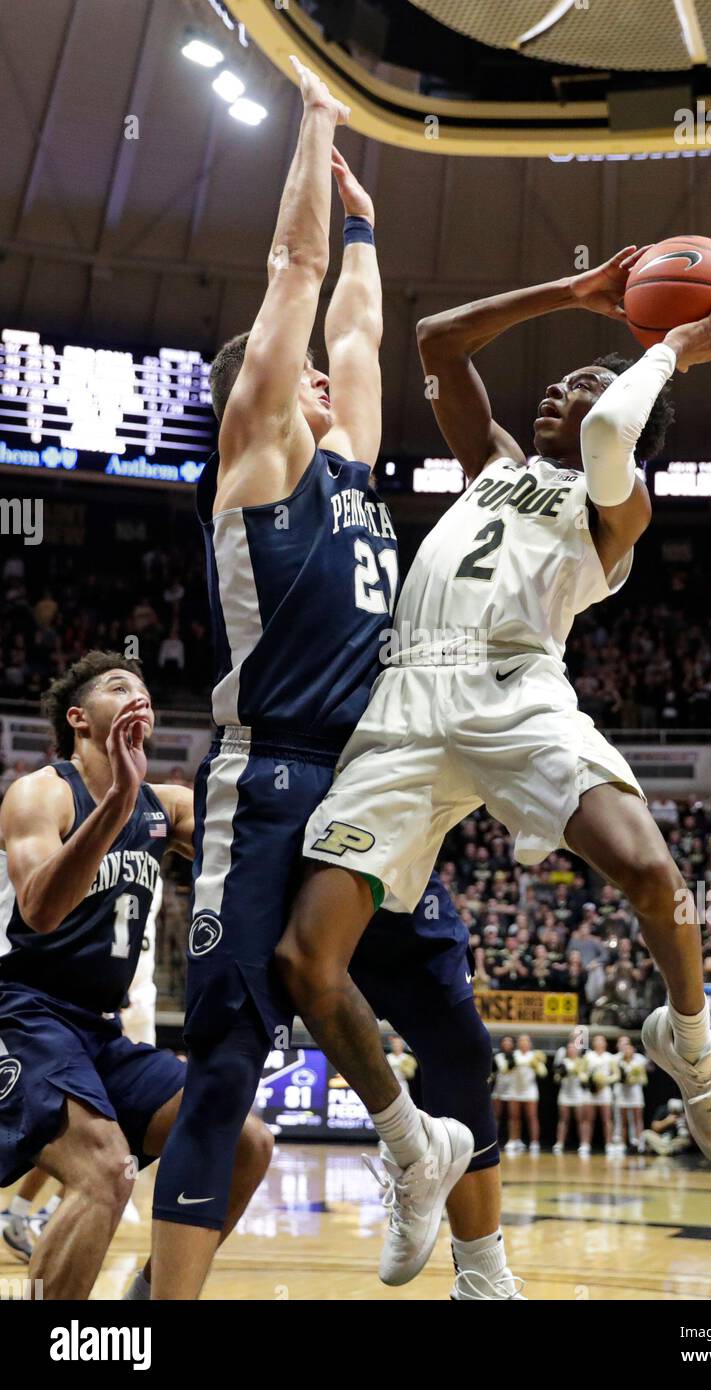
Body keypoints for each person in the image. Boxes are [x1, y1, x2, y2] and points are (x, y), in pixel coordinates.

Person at [150, 60, 522, 1302]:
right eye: (297, 371)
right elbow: (294, 287)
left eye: (320, 377)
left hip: (376, 784)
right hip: (273, 775)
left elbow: (355, 315)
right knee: (225, 1063)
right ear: (256, 393)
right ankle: (159, 1319)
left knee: (461, 1035)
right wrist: (315, 122)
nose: (322, 374)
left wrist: (362, 212)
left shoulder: (352, 462)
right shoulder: (257, 457)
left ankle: (479, 1262)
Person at [287, 252, 711, 1178]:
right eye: (566, 376)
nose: (560, 386)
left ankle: (693, 1047)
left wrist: (666, 349)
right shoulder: (493, 464)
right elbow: (436, 342)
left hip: (516, 691)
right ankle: (411, 1147)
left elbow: (620, 423)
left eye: (583, 383)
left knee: (653, 873)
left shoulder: (616, 505)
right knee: (306, 957)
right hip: (407, 702)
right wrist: (568, 292)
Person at [0, 652, 272, 1298]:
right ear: (79, 719)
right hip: (24, 1015)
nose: (139, 696)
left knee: (246, 1142)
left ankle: (147, 1296)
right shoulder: (42, 791)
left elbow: (248, 826)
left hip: (103, 1033)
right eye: (120, 686)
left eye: (145, 691)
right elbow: (39, 909)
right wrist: (118, 800)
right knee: (106, 1170)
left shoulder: (162, 805)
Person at [505, 1034, 547, 1155]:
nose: (523, 1043)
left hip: (530, 1091)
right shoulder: (513, 1055)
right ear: (518, 1043)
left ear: (530, 1044)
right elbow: (505, 1070)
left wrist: (537, 1065)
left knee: (532, 1117)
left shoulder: (535, 1056)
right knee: (514, 1117)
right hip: (514, 1090)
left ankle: (534, 1142)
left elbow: (543, 1073)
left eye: (526, 1041)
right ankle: (513, 1140)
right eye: (521, 1041)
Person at [553, 1039, 592, 1154]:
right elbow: (556, 1078)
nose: (571, 1050)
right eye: (569, 1048)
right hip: (565, 1093)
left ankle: (584, 1144)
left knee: (581, 1120)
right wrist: (560, 1074)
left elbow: (586, 1079)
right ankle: (559, 1143)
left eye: (573, 1048)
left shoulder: (582, 1062)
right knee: (563, 1119)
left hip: (579, 1094)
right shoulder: (563, 1062)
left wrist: (581, 1075)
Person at [614, 1036, 648, 1151]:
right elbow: (615, 1076)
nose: (627, 1051)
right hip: (623, 1093)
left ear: (633, 1049)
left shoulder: (639, 1061)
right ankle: (623, 1144)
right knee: (623, 1120)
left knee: (637, 1118)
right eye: (625, 1049)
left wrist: (635, 1079)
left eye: (629, 1048)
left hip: (635, 1093)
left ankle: (640, 1143)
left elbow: (644, 1079)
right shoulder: (617, 1061)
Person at [492, 1034, 516, 1129]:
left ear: (513, 1044)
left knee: (513, 1117)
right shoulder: (497, 1056)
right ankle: (493, 1139)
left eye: (509, 1041)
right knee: (495, 1116)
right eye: (504, 1041)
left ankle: (513, 1140)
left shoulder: (517, 1056)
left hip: (513, 1090)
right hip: (498, 1089)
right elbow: (492, 1072)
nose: (506, 1043)